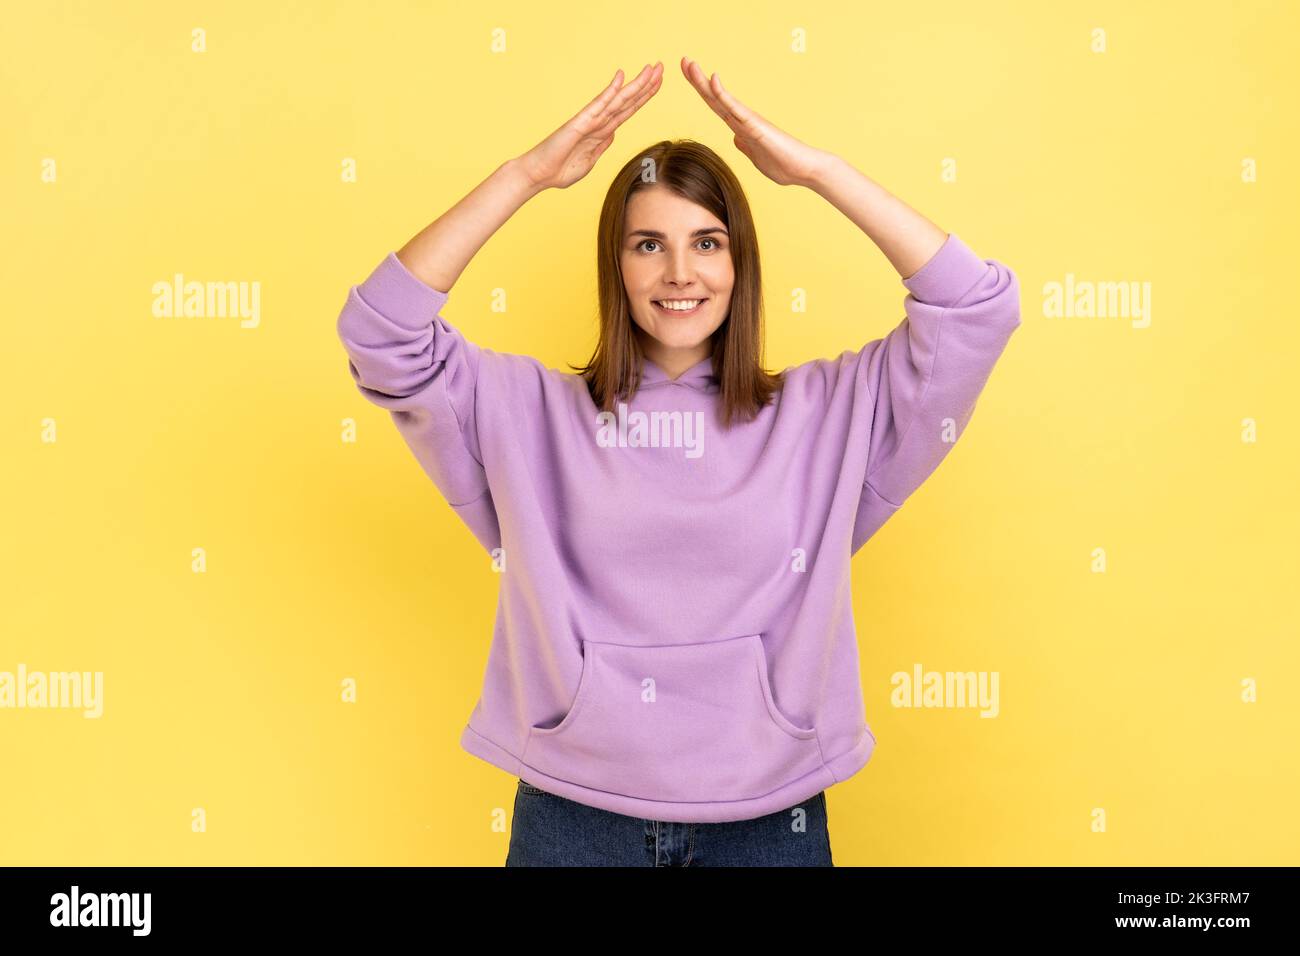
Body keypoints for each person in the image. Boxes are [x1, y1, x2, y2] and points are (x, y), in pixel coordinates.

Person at [335, 58, 1021, 866]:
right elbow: (381, 334)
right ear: (615, 265)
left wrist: (817, 173)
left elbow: (977, 308)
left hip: (772, 824)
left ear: (740, 264)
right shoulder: (527, 414)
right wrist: (526, 176)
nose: (680, 273)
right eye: (648, 244)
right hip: (574, 817)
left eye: (707, 242)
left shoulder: (828, 415)